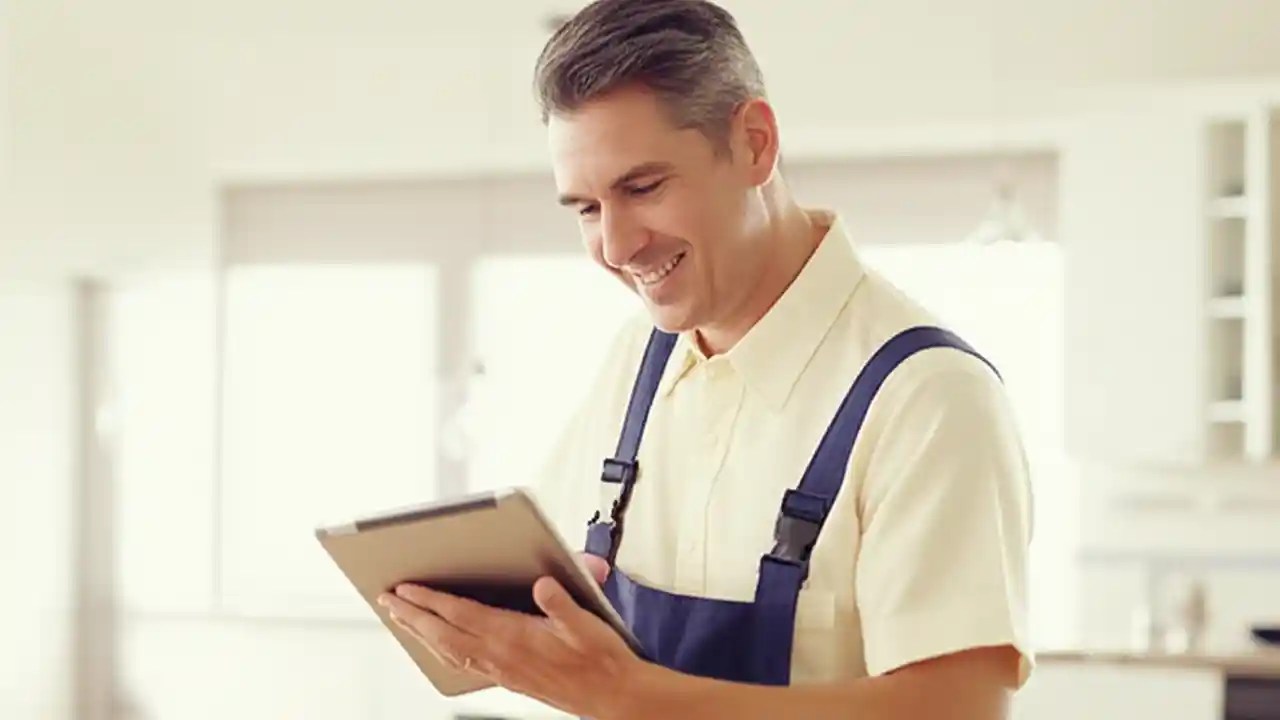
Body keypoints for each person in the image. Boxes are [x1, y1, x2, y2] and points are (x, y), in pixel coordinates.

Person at [376, 1, 1034, 717]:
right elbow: (558, 574)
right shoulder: (640, 362)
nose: (617, 248)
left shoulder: (928, 398)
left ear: (754, 144)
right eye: (587, 209)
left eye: (642, 188)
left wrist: (625, 695)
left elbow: (959, 710)